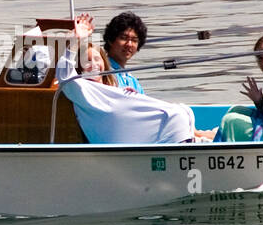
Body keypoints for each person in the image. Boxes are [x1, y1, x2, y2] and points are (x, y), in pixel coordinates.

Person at [58, 14, 209, 144]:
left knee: (181, 112)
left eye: (97, 59)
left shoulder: (122, 81)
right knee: (178, 116)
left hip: (139, 132)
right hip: (121, 140)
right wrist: (76, 39)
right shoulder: (82, 88)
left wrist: (123, 96)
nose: (94, 65)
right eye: (87, 61)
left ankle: (204, 137)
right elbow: (65, 75)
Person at [102, 12, 147, 94]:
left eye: (134, 40)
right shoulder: (102, 71)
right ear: (111, 40)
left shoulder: (132, 80)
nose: (129, 44)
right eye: (124, 38)